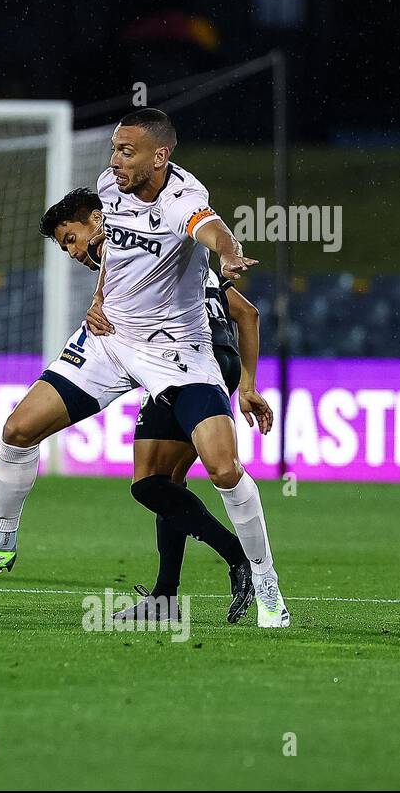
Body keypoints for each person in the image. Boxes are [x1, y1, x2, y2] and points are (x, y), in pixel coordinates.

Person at [0, 108, 290, 628]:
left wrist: (231, 254)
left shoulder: (182, 202)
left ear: (160, 155)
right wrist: (100, 297)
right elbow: (114, 251)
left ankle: (265, 584)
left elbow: (213, 231)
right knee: (18, 429)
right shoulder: (109, 187)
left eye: (126, 151)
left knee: (221, 468)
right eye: (113, 149)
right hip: (109, 340)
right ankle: (0, 539)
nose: (114, 160)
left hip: (176, 351)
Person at [40, 190, 274, 623]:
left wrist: (243, 384)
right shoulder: (154, 262)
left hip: (196, 366)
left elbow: (245, 314)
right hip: (174, 368)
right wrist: (248, 384)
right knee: (155, 484)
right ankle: (171, 593)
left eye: (70, 239)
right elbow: (248, 313)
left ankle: (242, 561)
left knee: (176, 479)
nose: (73, 252)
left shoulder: (159, 255)